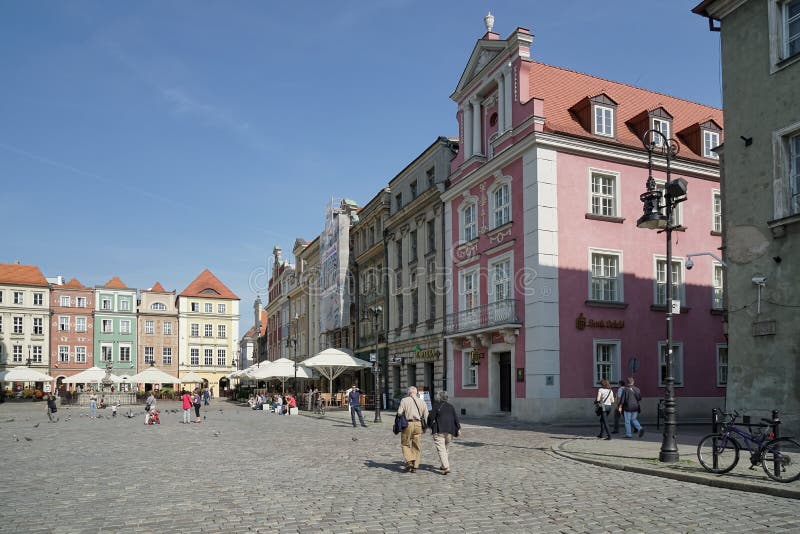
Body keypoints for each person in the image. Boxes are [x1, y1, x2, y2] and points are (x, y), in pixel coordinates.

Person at [396, 386, 429, 473]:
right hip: (418, 424)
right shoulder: (422, 402)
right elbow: (426, 416)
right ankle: (415, 466)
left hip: (408, 424)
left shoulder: (404, 400)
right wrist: (425, 427)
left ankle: (409, 461)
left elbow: (399, 413)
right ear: (416, 393)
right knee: (416, 445)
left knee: (405, 443)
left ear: (409, 392)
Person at [427, 391, 461, 475]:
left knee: (441, 449)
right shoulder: (451, 406)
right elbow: (456, 418)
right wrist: (458, 429)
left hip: (439, 430)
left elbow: (430, 418)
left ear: (438, 397)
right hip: (450, 431)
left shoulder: (436, 406)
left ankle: (446, 466)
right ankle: (443, 465)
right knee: (445, 448)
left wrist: (429, 425)